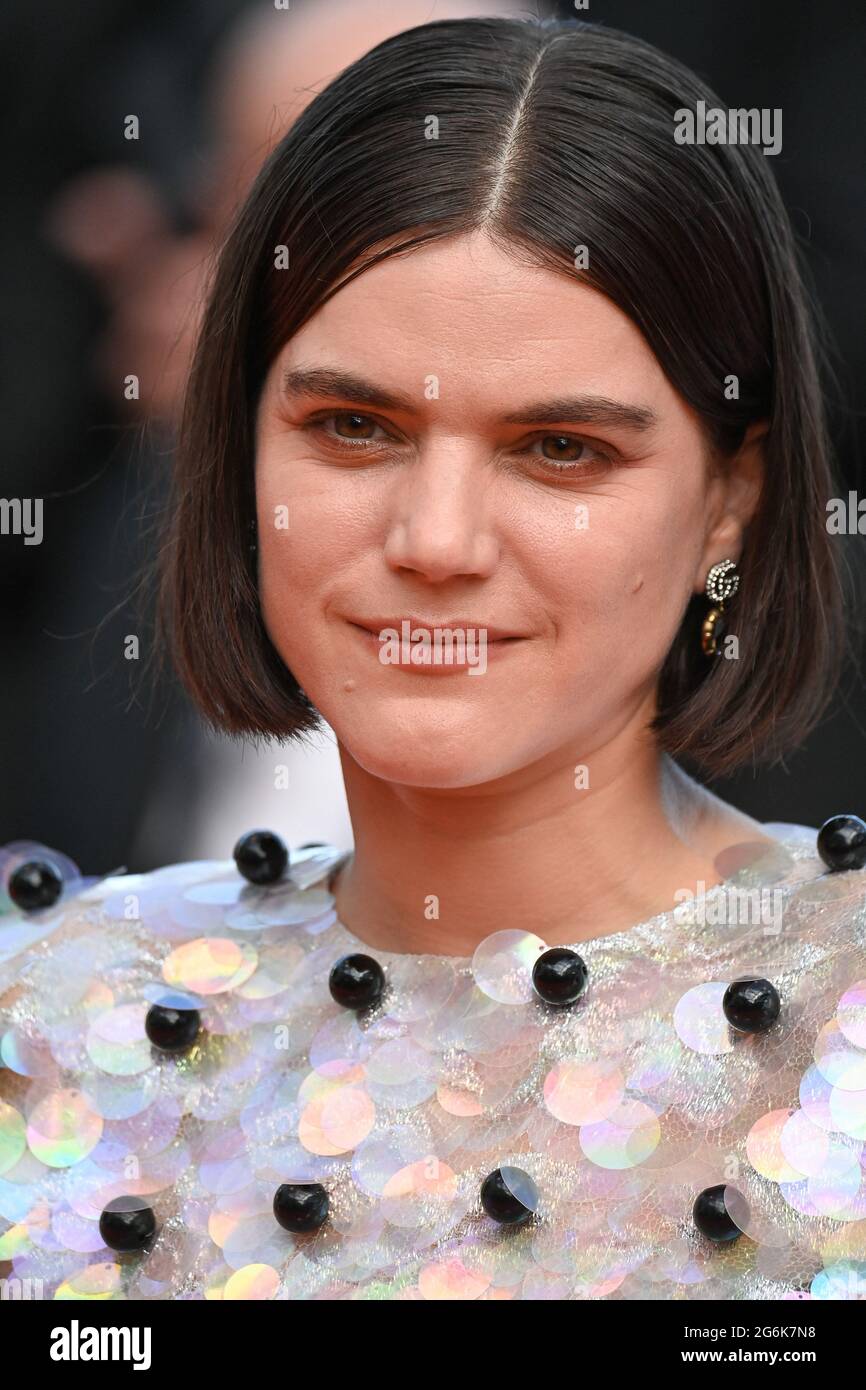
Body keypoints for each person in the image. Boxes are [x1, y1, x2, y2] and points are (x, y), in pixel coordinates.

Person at [2, 15, 865, 1302]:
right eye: (353, 427)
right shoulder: (53, 1020)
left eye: (559, 448)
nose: (436, 538)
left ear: (729, 501)